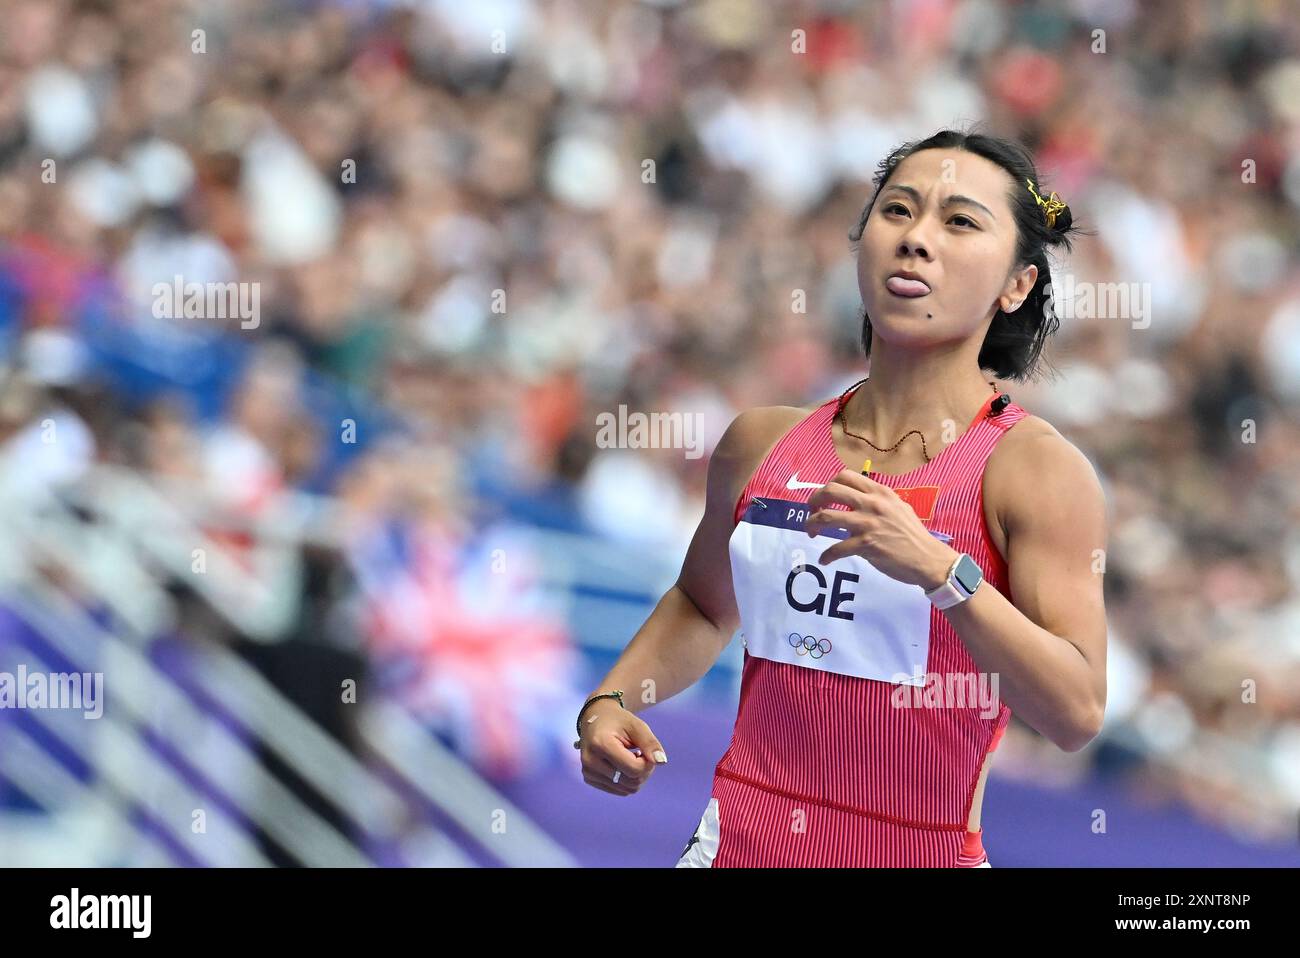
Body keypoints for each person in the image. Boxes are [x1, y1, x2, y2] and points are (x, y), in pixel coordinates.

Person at [574, 129, 1108, 867]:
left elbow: (1075, 711)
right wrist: (610, 702)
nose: (917, 238)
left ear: (1016, 284)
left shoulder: (1033, 471)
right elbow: (703, 606)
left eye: (959, 221)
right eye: (898, 210)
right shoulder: (760, 444)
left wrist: (943, 573)